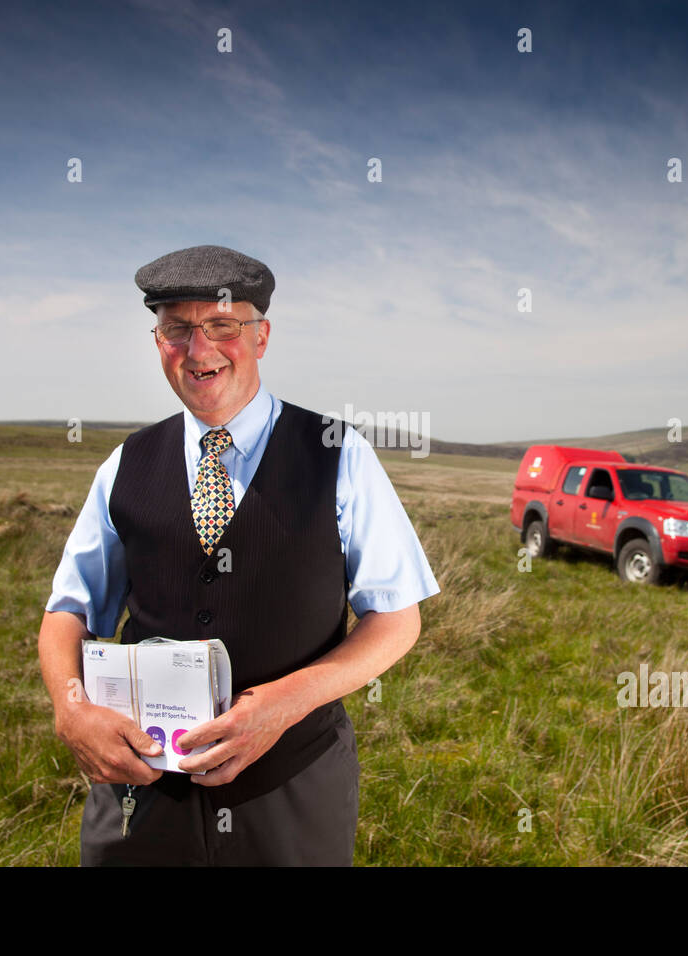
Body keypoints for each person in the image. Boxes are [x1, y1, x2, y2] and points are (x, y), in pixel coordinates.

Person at [37, 244, 439, 865]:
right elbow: (69, 610)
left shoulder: (339, 453)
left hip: (291, 793)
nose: (199, 350)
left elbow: (395, 620)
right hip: (141, 798)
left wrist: (285, 703)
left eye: (223, 325)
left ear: (262, 335)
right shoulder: (126, 464)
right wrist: (70, 708)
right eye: (177, 329)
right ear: (158, 340)